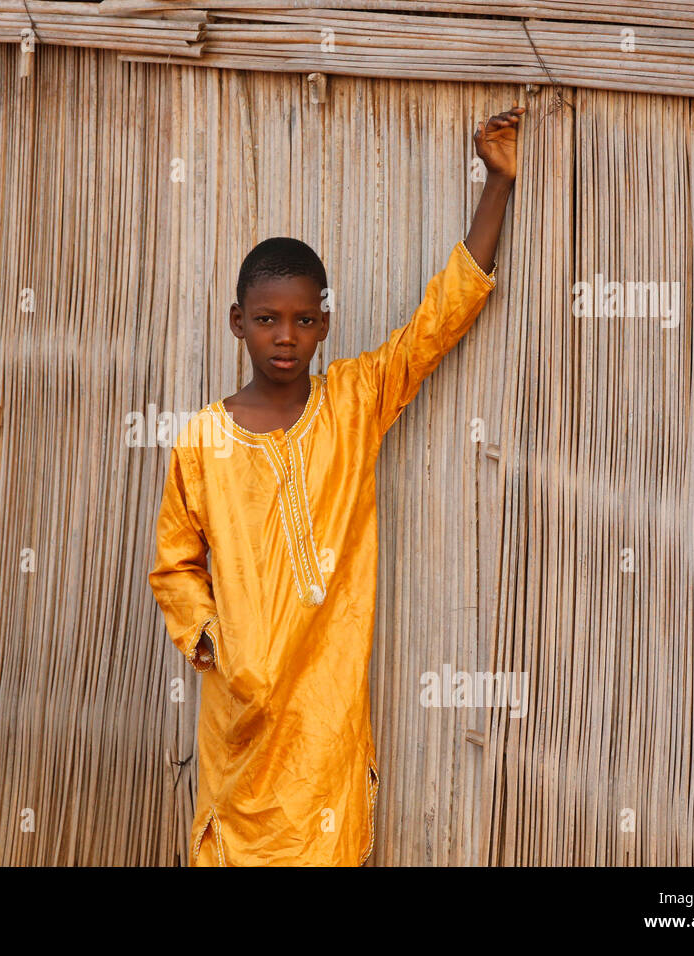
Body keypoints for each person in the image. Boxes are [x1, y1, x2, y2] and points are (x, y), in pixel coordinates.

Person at [148, 104, 524, 866]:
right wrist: (218, 644)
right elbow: (174, 566)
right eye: (265, 320)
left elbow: (436, 323)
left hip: (325, 710)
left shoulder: (354, 403)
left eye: (300, 320)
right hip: (241, 718)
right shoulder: (203, 439)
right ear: (237, 323)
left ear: (323, 324)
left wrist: (498, 184)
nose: (284, 337)